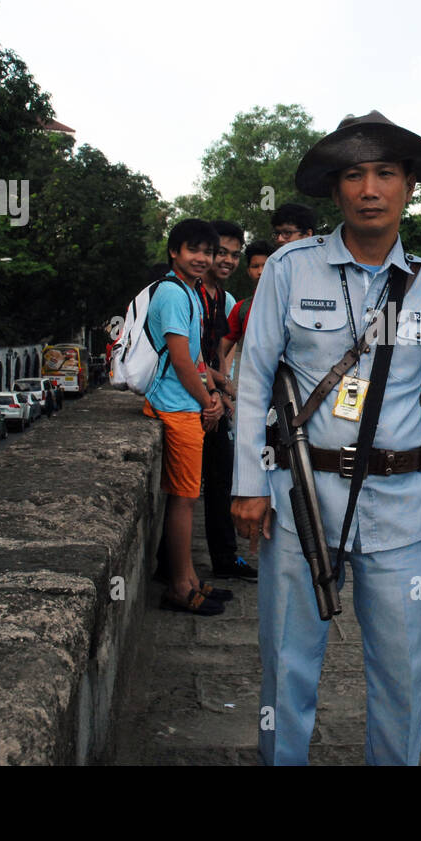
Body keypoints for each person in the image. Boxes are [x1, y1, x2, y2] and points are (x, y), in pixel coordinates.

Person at [231, 111, 421, 766]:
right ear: (336, 190)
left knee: (403, 675)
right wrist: (248, 485)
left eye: (386, 173)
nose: (370, 188)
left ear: (409, 188)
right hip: (299, 502)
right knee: (287, 669)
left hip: (400, 511)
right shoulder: (289, 269)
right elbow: (253, 380)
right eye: (354, 174)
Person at [145, 219, 229, 615]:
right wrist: (207, 400)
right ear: (174, 252)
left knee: (186, 498)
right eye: (193, 250)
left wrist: (213, 390)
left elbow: (196, 357)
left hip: (188, 402)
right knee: (183, 500)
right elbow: (181, 361)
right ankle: (179, 586)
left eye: (208, 252)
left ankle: (190, 578)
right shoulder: (174, 294)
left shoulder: (190, 292)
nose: (203, 259)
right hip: (175, 406)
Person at [197, 219, 256, 583]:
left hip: (210, 397)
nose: (228, 260)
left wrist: (221, 390)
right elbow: (187, 356)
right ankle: (176, 570)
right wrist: (218, 391)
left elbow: (217, 354)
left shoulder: (222, 298)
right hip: (191, 400)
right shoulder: (190, 293)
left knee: (219, 480)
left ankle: (223, 557)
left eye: (235, 255)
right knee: (188, 491)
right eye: (222, 252)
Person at [220, 239, 275, 368]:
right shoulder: (241, 309)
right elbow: (219, 353)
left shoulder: (293, 303)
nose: (261, 271)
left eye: (266, 265)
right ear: (248, 271)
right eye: (255, 266)